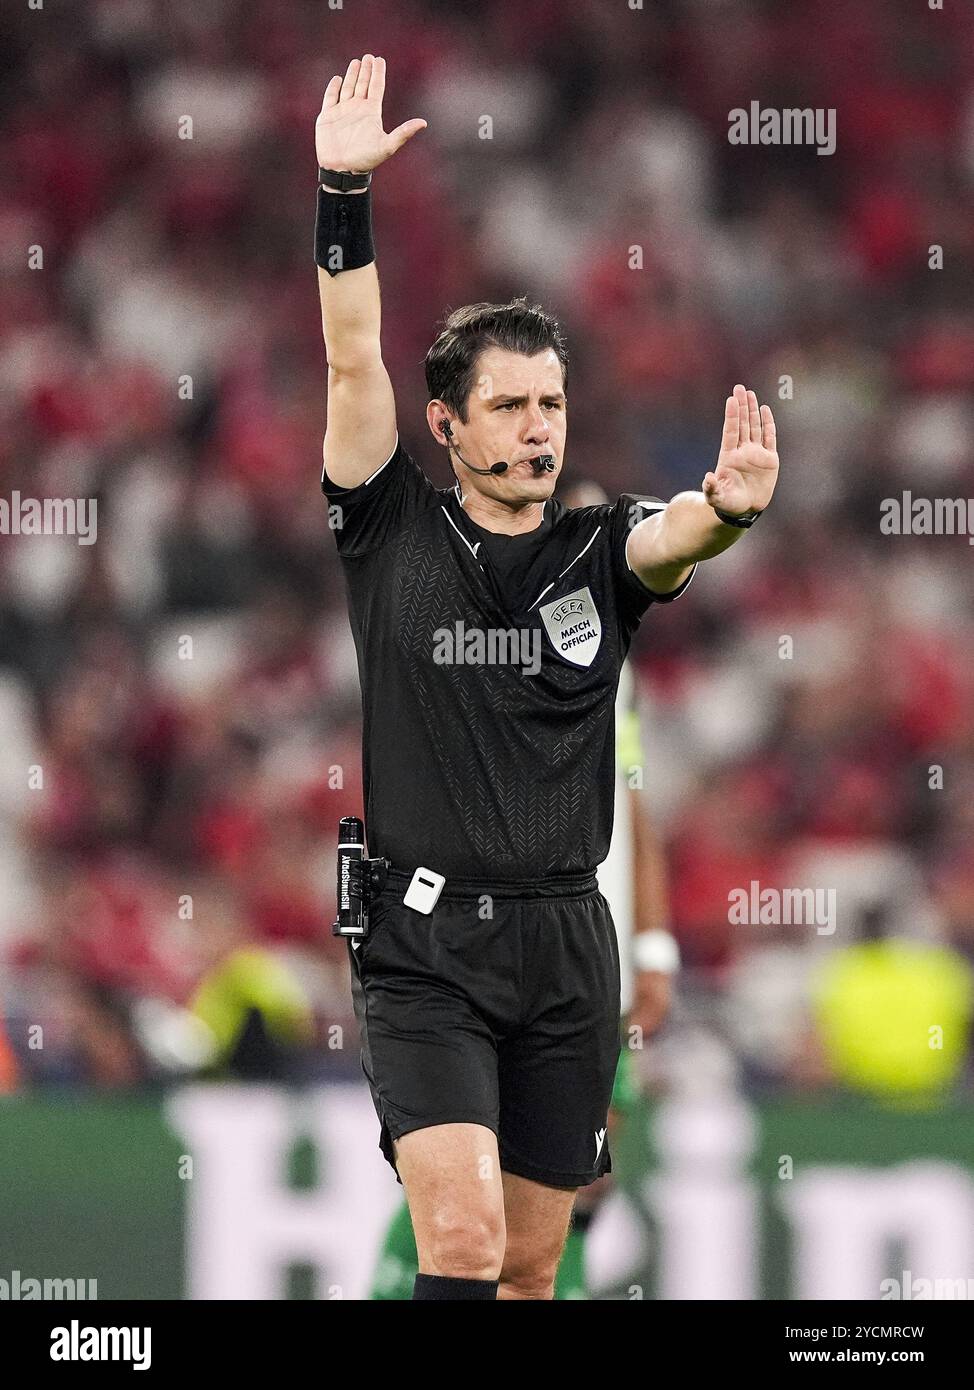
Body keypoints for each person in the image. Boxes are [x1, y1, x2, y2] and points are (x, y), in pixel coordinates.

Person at [315, 54, 779, 1301]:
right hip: (423, 942)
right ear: (447, 426)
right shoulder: (387, 530)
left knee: (532, 1262)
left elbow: (668, 533)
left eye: (552, 404)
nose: (537, 427)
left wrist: (726, 516)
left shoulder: (593, 548)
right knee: (457, 1247)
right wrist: (341, 196)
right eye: (509, 405)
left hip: (568, 939)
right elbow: (354, 363)